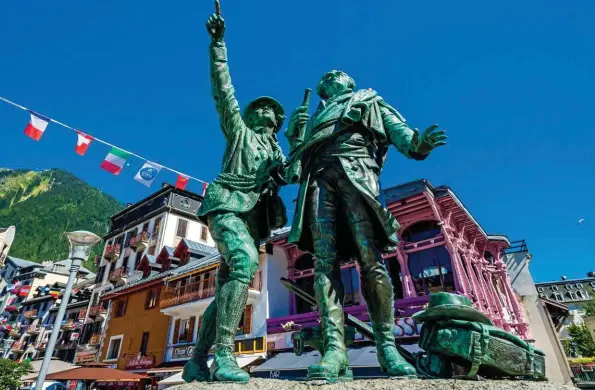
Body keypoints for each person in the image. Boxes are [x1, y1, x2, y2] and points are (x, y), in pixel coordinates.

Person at [285, 70, 447, 382]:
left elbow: (400, 132)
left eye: (338, 74)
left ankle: (387, 347)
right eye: (327, 76)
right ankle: (334, 349)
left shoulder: (368, 100)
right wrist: (295, 134)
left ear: (349, 83)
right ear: (322, 89)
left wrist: (419, 144)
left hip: (358, 173)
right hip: (318, 180)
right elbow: (293, 170)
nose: (332, 76)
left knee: (371, 260)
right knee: (324, 263)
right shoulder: (314, 117)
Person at [182, 12, 287, 383]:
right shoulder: (239, 132)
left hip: (253, 218)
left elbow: (292, 177)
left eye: (270, 111)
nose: (262, 111)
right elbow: (222, 90)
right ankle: (224, 355)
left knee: (229, 284)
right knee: (243, 263)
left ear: (276, 122)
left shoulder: (277, 154)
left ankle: (195, 360)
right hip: (227, 204)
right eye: (258, 107)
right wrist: (218, 44)